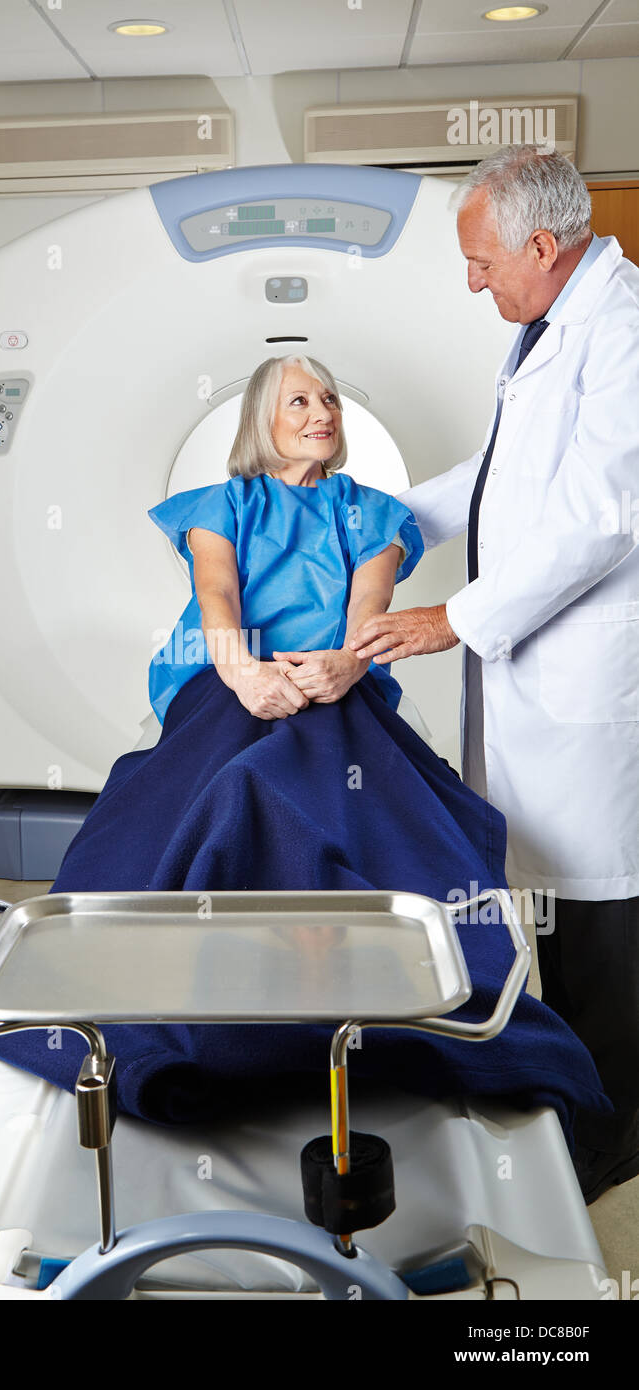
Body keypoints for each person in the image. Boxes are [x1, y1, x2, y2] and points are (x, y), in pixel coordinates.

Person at [0, 352, 609, 1146]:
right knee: (230, 776)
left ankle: (352, 967)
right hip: (226, 674)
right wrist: (241, 672)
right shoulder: (218, 505)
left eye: (330, 398)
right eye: (300, 399)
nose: (322, 411)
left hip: (333, 681)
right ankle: (187, 966)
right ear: (261, 424)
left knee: (323, 777)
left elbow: (370, 607)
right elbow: (218, 596)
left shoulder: (375, 515)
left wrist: (344, 666)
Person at [348, 144, 639, 1204]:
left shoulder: (620, 330)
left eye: (480, 262)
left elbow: (597, 514)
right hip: (532, 681)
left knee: (602, 927)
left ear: (540, 245)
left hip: (583, 683)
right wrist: (381, 519)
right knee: (550, 913)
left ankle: (610, 1141)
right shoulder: (543, 330)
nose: (474, 281)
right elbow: (497, 474)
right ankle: (572, 1096)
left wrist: (452, 621)